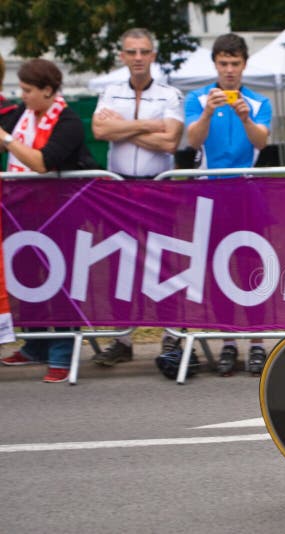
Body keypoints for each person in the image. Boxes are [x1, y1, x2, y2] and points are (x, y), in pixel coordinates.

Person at [90, 27, 185, 368]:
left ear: (153, 54)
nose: (138, 58)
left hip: (159, 186)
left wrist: (125, 127)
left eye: (144, 51)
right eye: (132, 52)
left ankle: (172, 336)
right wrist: (149, 126)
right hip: (120, 188)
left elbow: (171, 141)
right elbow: (100, 131)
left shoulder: (170, 94)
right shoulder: (110, 92)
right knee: (120, 264)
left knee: (164, 264)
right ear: (122, 56)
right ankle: (122, 338)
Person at [0, 58, 99, 382]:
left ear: (47, 91)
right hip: (24, 213)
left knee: (60, 284)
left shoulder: (68, 121)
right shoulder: (21, 116)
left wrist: (7, 140)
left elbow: (43, 163)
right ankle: (36, 346)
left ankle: (62, 353)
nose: (22, 95)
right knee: (27, 279)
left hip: (62, 215)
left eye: (28, 90)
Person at [184, 32, 272, 376]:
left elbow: (262, 142)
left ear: (244, 64)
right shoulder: (197, 98)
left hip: (247, 193)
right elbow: (192, 140)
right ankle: (228, 342)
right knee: (217, 269)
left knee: (251, 268)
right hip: (211, 194)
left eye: (235, 63)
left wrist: (247, 118)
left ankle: (257, 343)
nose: (230, 70)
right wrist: (207, 113)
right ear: (216, 65)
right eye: (224, 63)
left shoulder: (259, 101)